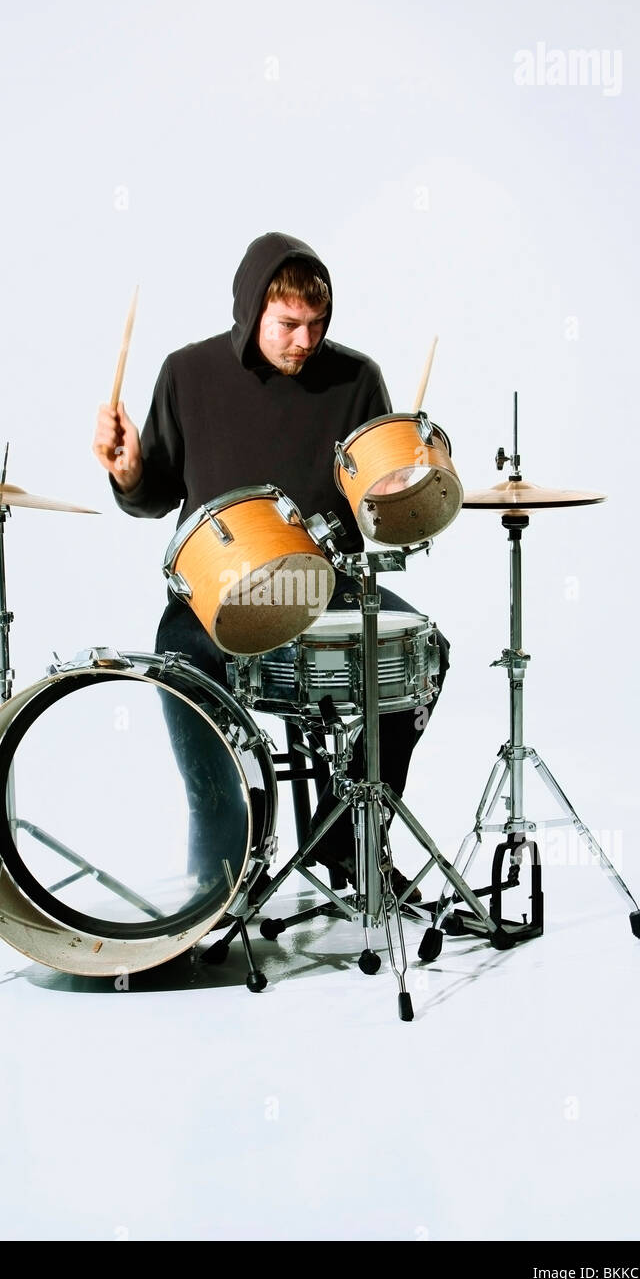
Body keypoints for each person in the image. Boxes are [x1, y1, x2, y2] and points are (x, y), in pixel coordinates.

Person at [92, 231, 450, 905]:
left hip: (328, 585)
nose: (304, 341)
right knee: (180, 659)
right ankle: (221, 858)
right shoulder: (187, 373)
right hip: (214, 595)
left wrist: (400, 491)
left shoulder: (357, 379)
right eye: (288, 324)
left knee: (420, 652)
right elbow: (153, 495)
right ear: (251, 311)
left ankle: (353, 835)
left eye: (317, 325)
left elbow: (375, 509)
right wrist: (131, 470)